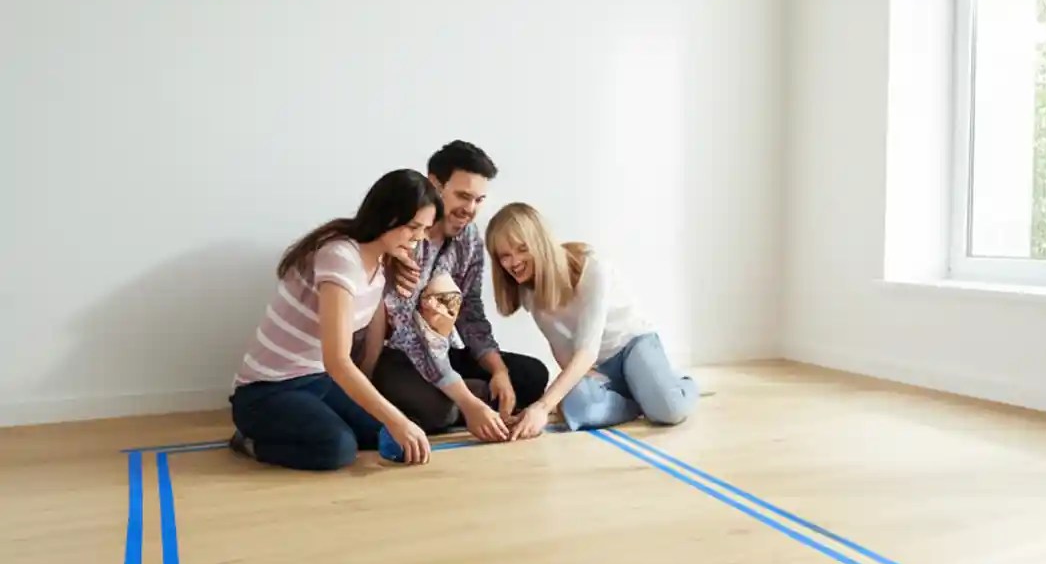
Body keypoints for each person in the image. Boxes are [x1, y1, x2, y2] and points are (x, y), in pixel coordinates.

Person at [228, 169, 438, 470]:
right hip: (267, 391)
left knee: (389, 432)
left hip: (318, 381)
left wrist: (383, 403)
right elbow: (337, 361)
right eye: (412, 227)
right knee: (337, 449)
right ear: (387, 216)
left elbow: (374, 321)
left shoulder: (383, 259)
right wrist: (395, 419)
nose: (418, 239)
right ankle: (249, 442)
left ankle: (322, 422)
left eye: (424, 229)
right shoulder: (339, 256)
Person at [372, 140, 550, 441]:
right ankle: (460, 398)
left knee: (532, 375)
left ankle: (462, 394)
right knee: (443, 412)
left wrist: (499, 370)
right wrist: (468, 401)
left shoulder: (469, 240)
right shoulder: (405, 236)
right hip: (398, 357)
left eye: (479, 200)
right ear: (434, 184)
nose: (469, 209)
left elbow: (470, 312)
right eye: (463, 196)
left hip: (444, 349)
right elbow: (407, 333)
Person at [483, 202, 699, 439]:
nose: (514, 262)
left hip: (632, 346)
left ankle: (679, 385)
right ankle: (639, 400)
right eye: (505, 256)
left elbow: (586, 350)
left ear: (540, 243)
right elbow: (560, 346)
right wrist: (571, 391)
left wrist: (543, 407)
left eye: (522, 249)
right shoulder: (527, 291)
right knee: (576, 406)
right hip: (597, 367)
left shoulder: (593, 267)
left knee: (668, 411)